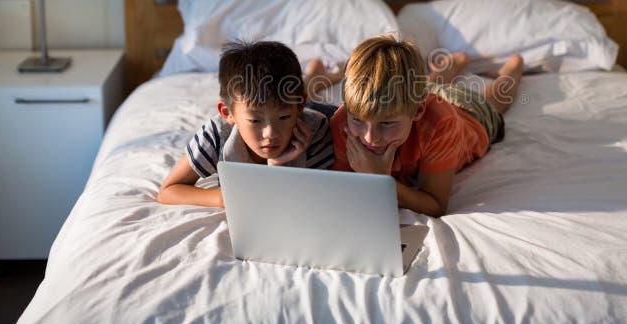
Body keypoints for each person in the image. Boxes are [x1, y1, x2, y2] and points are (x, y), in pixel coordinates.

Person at [329, 35, 523, 217]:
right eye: (357, 120)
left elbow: (436, 205)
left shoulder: (441, 125)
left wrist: (381, 179)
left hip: (469, 112)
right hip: (411, 101)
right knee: (426, 86)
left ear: (418, 111)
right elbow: (347, 192)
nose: (370, 138)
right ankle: (454, 62)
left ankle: (514, 67)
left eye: (386, 123)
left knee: (494, 101)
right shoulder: (343, 122)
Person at [157, 41, 334, 208]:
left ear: (299, 107)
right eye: (255, 120)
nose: (270, 133)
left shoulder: (315, 129)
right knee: (280, 102)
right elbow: (167, 191)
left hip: (312, 109)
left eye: (284, 117)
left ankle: (313, 76)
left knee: (298, 100)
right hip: (295, 105)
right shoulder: (218, 133)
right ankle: (313, 75)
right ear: (227, 113)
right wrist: (223, 198)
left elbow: (296, 200)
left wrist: (277, 165)